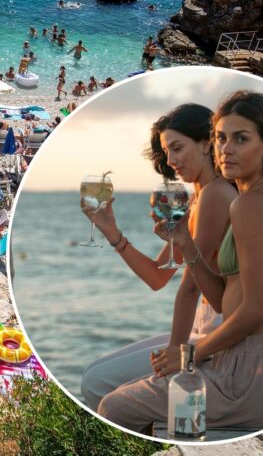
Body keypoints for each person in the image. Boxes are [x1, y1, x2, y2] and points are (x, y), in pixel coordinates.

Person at [98, 91, 263, 432]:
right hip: (252, 368)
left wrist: (186, 355)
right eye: (222, 138)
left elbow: (255, 310)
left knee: (110, 406)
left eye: (240, 139)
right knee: (143, 406)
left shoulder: (246, 204)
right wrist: (184, 242)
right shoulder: (256, 198)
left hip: (247, 378)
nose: (226, 149)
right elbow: (224, 300)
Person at [79, 104, 236, 410]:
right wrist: (111, 230)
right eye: (166, 151)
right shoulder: (198, 197)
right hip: (203, 329)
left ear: (206, 143)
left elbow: (190, 288)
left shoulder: (216, 194)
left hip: (221, 338)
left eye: (177, 148)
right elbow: (157, 276)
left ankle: (158, 426)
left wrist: (177, 354)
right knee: (92, 374)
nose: (170, 160)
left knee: (95, 384)